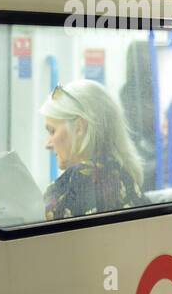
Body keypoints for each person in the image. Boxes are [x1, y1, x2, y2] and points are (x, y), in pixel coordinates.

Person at [40, 79, 144, 219]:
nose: (48, 144)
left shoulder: (84, 179)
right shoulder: (122, 175)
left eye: (52, 131)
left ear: (79, 127)